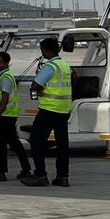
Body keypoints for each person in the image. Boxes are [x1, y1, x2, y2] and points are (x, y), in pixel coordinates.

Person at [23, 36, 74, 187]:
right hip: (64, 109)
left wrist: (39, 90)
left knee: (36, 141)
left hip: (49, 109)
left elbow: (35, 84)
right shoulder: (64, 65)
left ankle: (40, 175)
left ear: (45, 50)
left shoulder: (50, 66)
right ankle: (62, 177)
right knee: (62, 145)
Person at [0, 50, 31, 180]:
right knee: (10, 143)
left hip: (5, 116)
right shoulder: (2, 75)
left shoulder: (5, 78)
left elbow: (4, 98)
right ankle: (22, 169)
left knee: (4, 144)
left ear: (6, 63)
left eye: (0, 62)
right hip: (7, 115)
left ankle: (3, 172)